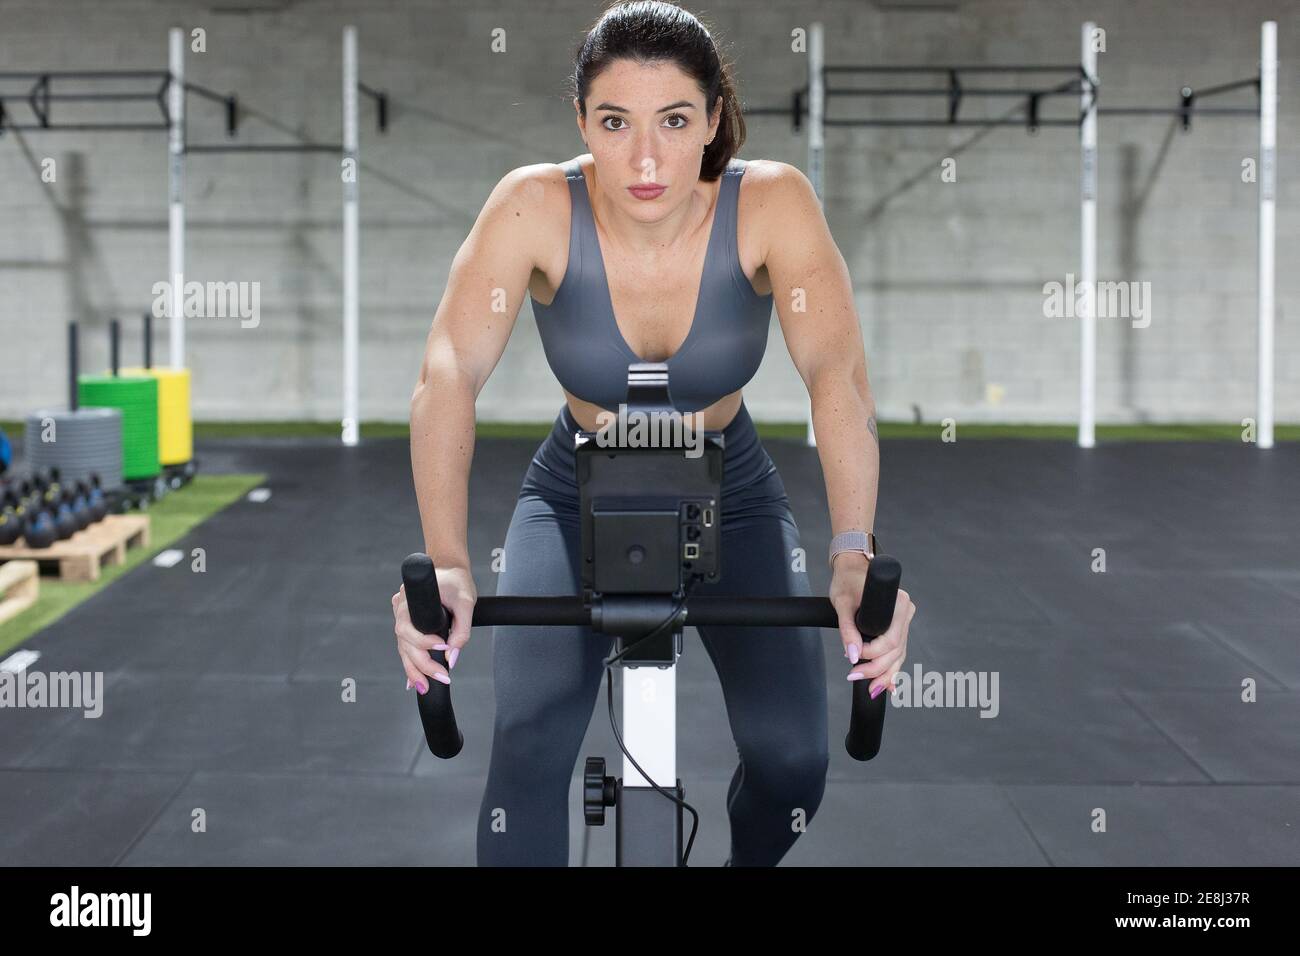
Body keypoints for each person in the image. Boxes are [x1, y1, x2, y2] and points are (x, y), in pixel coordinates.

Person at [393, 0, 916, 866]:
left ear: (714, 119)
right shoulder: (533, 205)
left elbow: (837, 377)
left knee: (794, 762)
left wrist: (855, 553)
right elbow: (447, 375)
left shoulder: (772, 203)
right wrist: (447, 563)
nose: (644, 158)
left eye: (674, 121)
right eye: (614, 121)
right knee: (525, 747)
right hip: (573, 492)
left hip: (733, 490)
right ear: (581, 122)